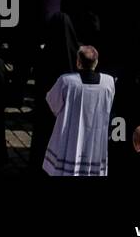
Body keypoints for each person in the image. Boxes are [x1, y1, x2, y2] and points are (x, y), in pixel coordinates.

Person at [43, 45, 116, 177]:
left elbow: (53, 104)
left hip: (70, 134)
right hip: (95, 134)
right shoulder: (109, 82)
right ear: (96, 62)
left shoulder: (66, 81)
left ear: (78, 62)